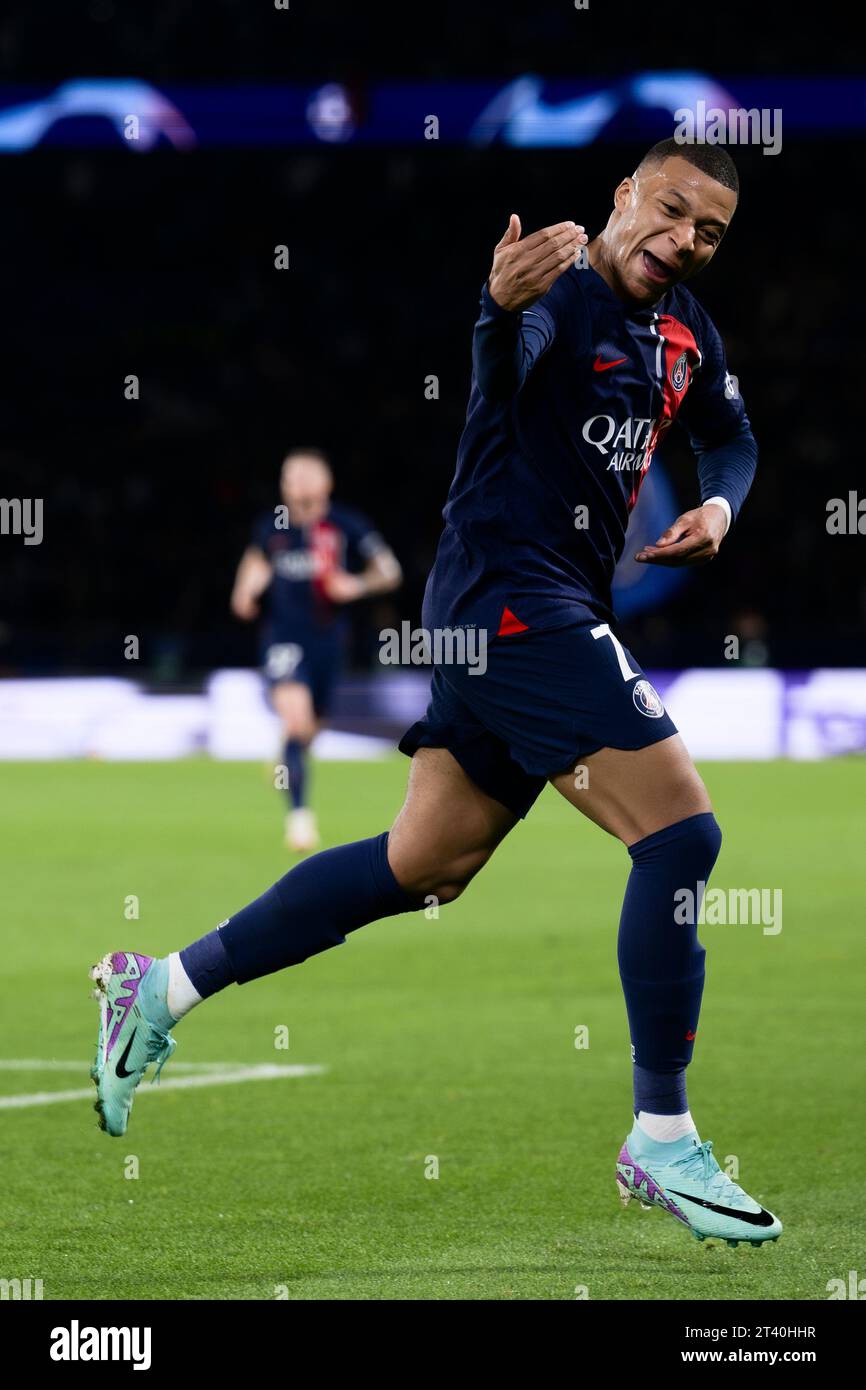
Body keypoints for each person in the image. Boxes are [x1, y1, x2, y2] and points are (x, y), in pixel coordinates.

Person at [90, 138, 781, 1248]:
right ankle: (660, 1135)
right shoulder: (553, 285)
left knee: (426, 865)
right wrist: (490, 311)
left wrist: (718, 508)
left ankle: (158, 989)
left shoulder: (684, 332)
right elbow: (505, 365)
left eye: (708, 232)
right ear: (621, 195)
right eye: (668, 210)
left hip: (514, 610)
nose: (684, 241)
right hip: (511, 599)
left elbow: (731, 437)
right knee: (679, 838)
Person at [229, 447, 402, 850]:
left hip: (328, 643)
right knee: (297, 723)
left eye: (306, 476)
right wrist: (246, 588)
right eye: (290, 477)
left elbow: (389, 572)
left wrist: (356, 585)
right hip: (283, 642)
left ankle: (285, 753)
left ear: (326, 482)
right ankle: (300, 820)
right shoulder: (273, 527)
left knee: (309, 730)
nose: (297, 485)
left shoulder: (347, 525)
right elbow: (256, 561)